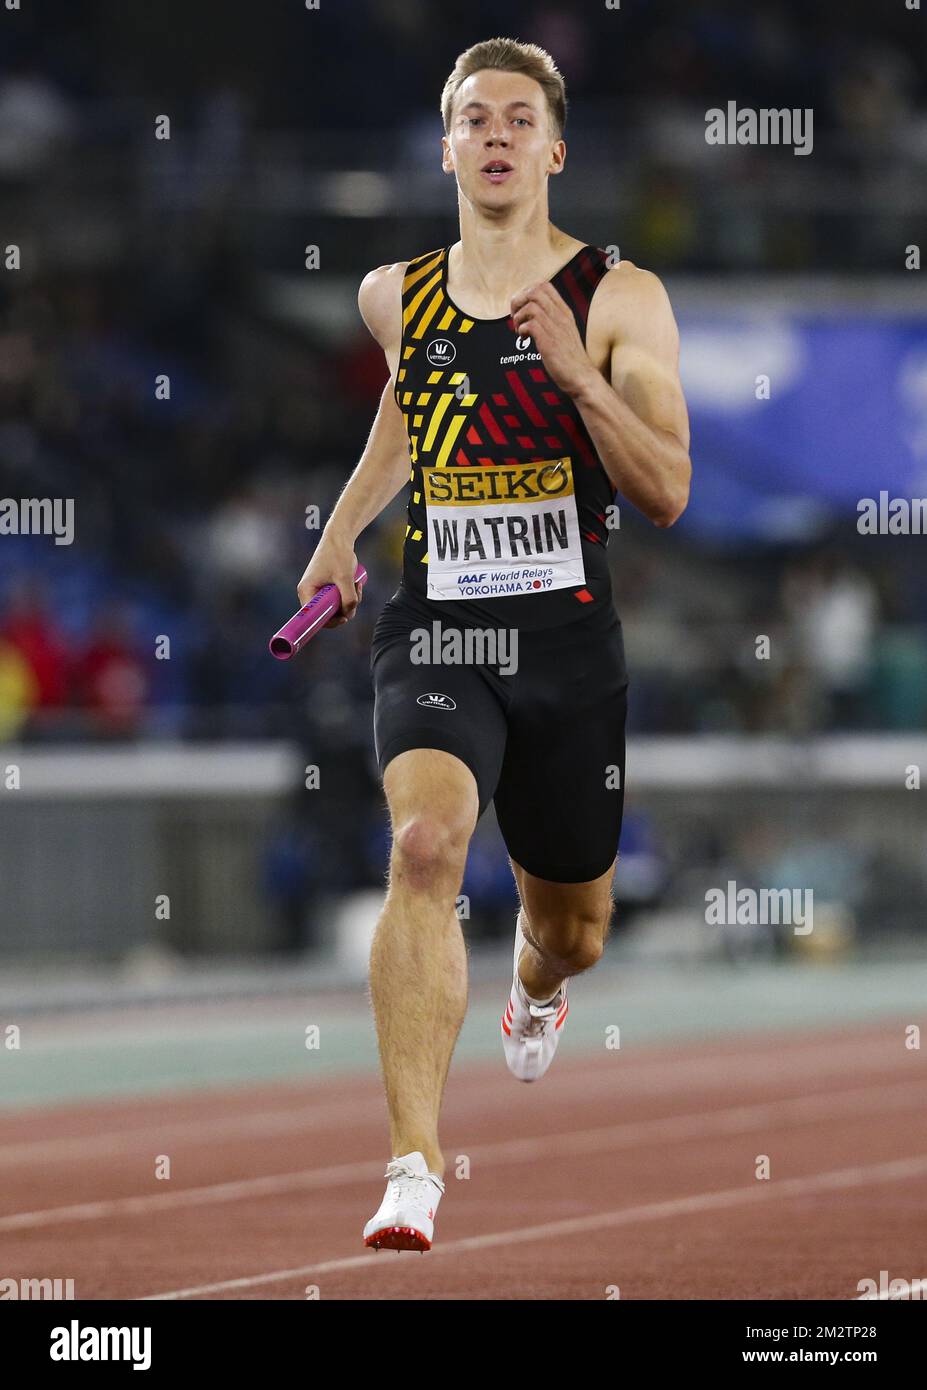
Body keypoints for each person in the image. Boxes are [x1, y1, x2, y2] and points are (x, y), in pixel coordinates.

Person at [295, 38, 691, 1252]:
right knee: (424, 847)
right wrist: (340, 534)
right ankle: (412, 1165)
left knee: (575, 929)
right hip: (442, 624)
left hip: (567, 644)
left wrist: (579, 379)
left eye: (521, 118)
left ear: (555, 150)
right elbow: (409, 409)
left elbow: (668, 488)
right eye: (476, 118)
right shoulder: (393, 293)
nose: (498, 134)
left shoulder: (619, 296)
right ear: (448, 148)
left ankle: (534, 978)